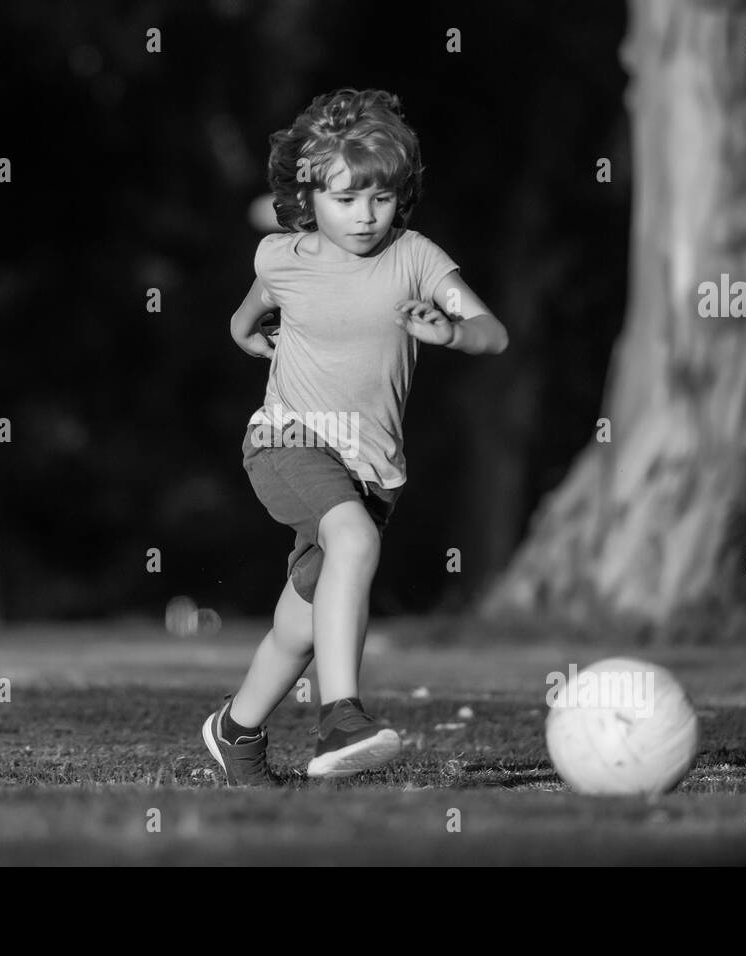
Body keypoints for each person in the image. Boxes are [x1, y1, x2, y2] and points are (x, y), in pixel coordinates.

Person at [204, 88, 509, 786]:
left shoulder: (418, 258)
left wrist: (451, 331)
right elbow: (243, 319)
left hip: (371, 471)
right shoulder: (282, 258)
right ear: (308, 195)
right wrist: (253, 339)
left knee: (303, 624)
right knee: (355, 540)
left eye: (380, 197)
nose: (366, 216)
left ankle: (235, 731)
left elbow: (493, 333)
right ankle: (342, 718)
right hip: (285, 440)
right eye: (346, 199)